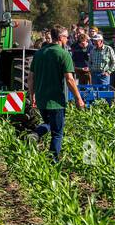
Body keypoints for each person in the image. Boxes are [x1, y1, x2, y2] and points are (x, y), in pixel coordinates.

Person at [28, 26, 86, 162]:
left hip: (41, 99)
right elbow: (70, 79)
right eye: (66, 37)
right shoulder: (63, 54)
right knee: (57, 133)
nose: (67, 39)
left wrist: (32, 95)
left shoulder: (39, 53)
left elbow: (30, 78)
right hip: (56, 101)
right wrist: (78, 98)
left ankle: (36, 134)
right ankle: (53, 162)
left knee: (48, 123)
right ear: (60, 38)